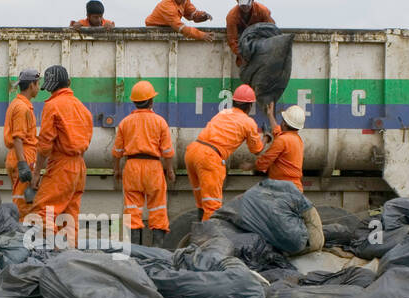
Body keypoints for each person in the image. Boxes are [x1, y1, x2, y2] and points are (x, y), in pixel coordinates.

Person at [26, 65, 93, 249]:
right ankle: (69, 260)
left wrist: (37, 173)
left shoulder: (52, 106)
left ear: (50, 86)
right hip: (79, 167)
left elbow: (45, 146)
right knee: (69, 218)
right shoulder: (82, 108)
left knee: (42, 212)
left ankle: (51, 257)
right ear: (68, 83)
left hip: (62, 166)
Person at [184, 84, 267, 220]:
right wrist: (266, 138)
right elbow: (257, 150)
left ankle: (198, 233)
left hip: (193, 151)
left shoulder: (223, 113)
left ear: (234, 102)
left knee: (202, 203)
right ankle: (208, 240)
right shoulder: (248, 122)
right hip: (210, 157)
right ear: (249, 106)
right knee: (212, 207)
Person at [112, 80, 175, 247]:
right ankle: (157, 248)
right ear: (151, 101)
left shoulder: (125, 122)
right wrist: (169, 171)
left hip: (131, 167)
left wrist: (116, 170)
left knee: (132, 210)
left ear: (134, 102)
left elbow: (117, 151)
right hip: (153, 168)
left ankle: (136, 251)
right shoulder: (160, 122)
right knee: (158, 208)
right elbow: (167, 151)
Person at [3, 68, 40, 213]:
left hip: (20, 156)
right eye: (37, 84)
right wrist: (23, 164)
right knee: (23, 202)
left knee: (25, 200)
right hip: (22, 157)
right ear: (31, 85)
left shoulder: (18, 104)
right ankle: (21, 232)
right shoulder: (22, 108)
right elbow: (18, 138)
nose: (38, 88)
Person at [254, 104, 305, 188]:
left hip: (282, 189)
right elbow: (277, 131)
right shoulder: (297, 140)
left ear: (284, 124)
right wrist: (270, 115)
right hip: (295, 188)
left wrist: (250, 165)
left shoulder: (282, 141)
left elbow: (264, 162)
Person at [145, 0, 212, 40]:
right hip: (155, 29)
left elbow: (192, 14)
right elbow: (181, 28)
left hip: (170, 26)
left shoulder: (185, 1)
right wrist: (201, 35)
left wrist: (203, 16)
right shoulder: (167, 6)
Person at [225, 0, 275, 66]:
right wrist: (243, 55)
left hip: (261, 42)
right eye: (243, 5)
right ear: (237, 1)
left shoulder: (263, 11)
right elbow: (232, 40)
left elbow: (272, 31)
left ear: (252, 0)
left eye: (247, 4)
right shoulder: (231, 17)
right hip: (243, 46)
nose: (245, 7)